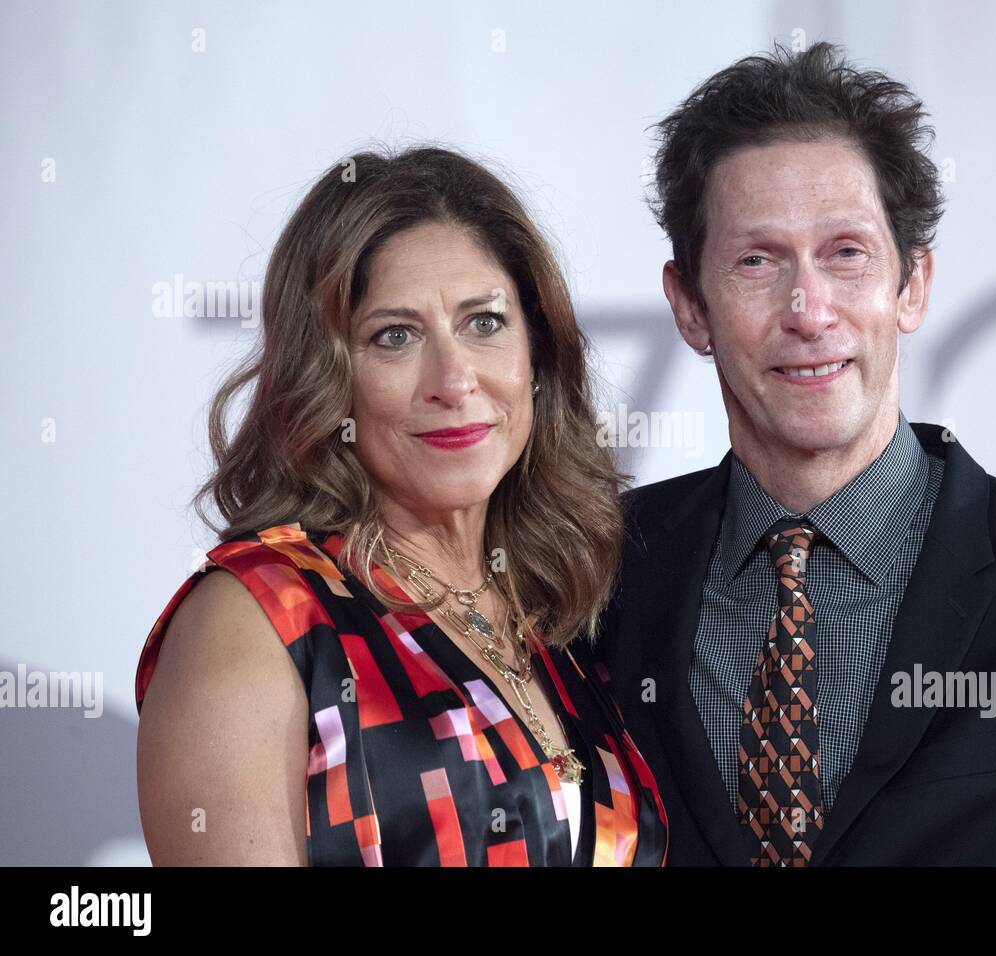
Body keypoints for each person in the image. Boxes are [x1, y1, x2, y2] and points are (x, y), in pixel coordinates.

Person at [596, 42, 996, 866]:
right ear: (690, 308)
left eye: (846, 253)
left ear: (912, 285)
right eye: (756, 261)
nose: (808, 310)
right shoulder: (598, 573)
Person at [135, 145, 667, 866]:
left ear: (536, 352)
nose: (454, 380)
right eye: (395, 337)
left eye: (484, 323)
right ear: (326, 376)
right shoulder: (258, 619)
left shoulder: (559, 612)